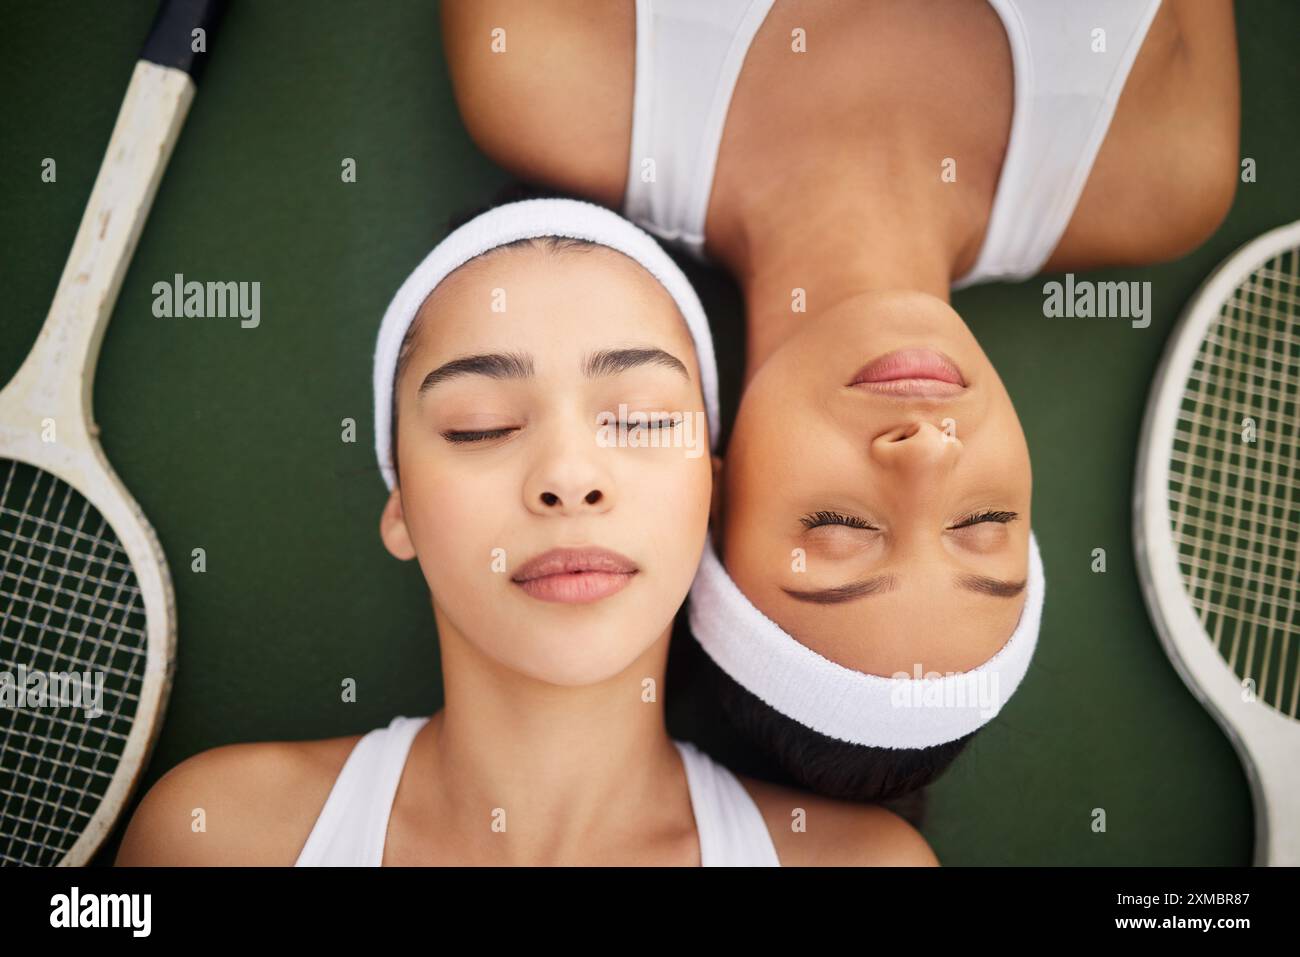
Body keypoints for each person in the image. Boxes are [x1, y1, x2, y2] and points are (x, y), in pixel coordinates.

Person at [439, 0, 1239, 800]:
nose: (927, 451)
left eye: (843, 527)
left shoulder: (546, 71)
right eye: (982, 523)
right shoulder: (1166, 160)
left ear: (707, 501)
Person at [115, 198, 938, 866]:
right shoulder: (219, 838)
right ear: (400, 507)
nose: (569, 475)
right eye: (481, 426)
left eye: (643, 420)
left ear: (712, 490)